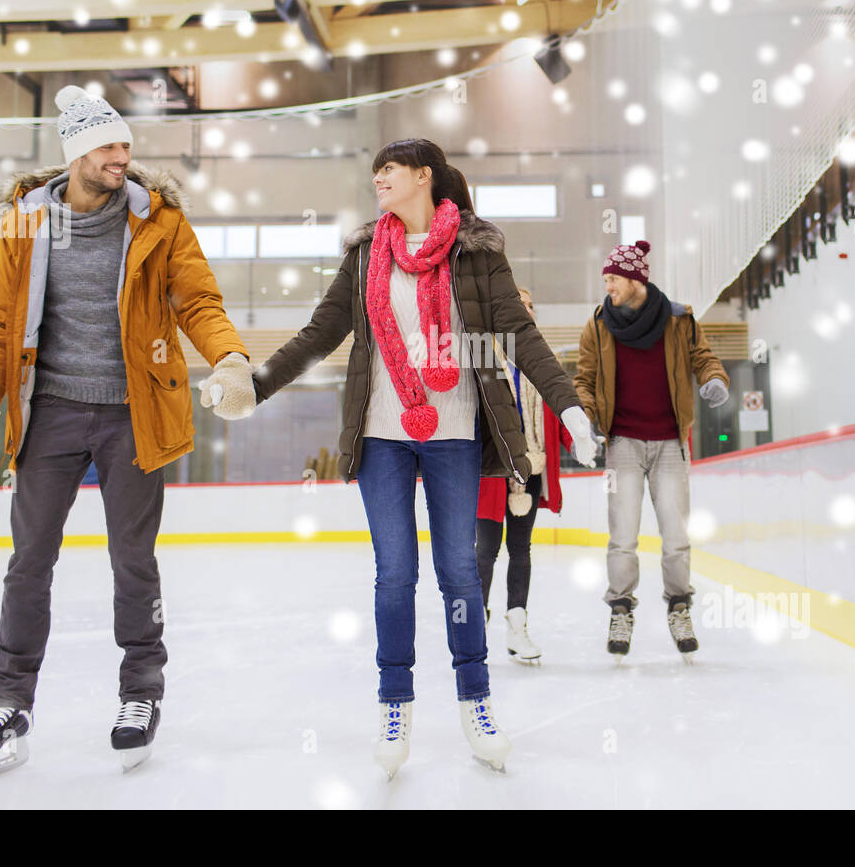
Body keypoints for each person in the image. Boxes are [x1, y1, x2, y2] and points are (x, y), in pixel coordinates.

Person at [249, 138, 598, 778]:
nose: (378, 178)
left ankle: (476, 698)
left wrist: (568, 405)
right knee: (395, 573)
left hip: (456, 431)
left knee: (460, 574)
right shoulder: (364, 256)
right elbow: (318, 334)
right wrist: (256, 383)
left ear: (422, 176)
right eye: (375, 169)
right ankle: (395, 701)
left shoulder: (476, 253)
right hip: (382, 434)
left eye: (390, 169)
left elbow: (517, 334)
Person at [0, 85, 255, 777]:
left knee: (133, 560)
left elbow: (197, 299)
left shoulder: (158, 220)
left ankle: (141, 694)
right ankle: (8, 701)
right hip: (49, 411)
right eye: (109, 146)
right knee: (29, 562)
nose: (124, 157)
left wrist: (231, 358)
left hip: (134, 413)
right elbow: (1, 327)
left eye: (126, 145)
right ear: (77, 153)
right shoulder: (27, 223)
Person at [573, 240, 730, 660]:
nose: (607, 287)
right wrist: (587, 416)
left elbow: (703, 358)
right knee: (622, 536)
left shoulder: (679, 319)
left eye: (612, 280)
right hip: (621, 443)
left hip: (670, 444)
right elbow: (585, 379)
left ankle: (680, 607)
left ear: (635, 278)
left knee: (676, 537)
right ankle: (621, 609)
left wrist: (714, 379)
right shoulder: (599, 325)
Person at [475, 287, 576, 665]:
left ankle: (517, 627)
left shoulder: (541, 357)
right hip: (491, 468)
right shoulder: (484, 352)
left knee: (521, 549)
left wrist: (579, 438)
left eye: (532, 305)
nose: (528, 311)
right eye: (521, 305)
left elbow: (559, 402)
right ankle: (475, 627)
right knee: (485, 550)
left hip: (531, 468)